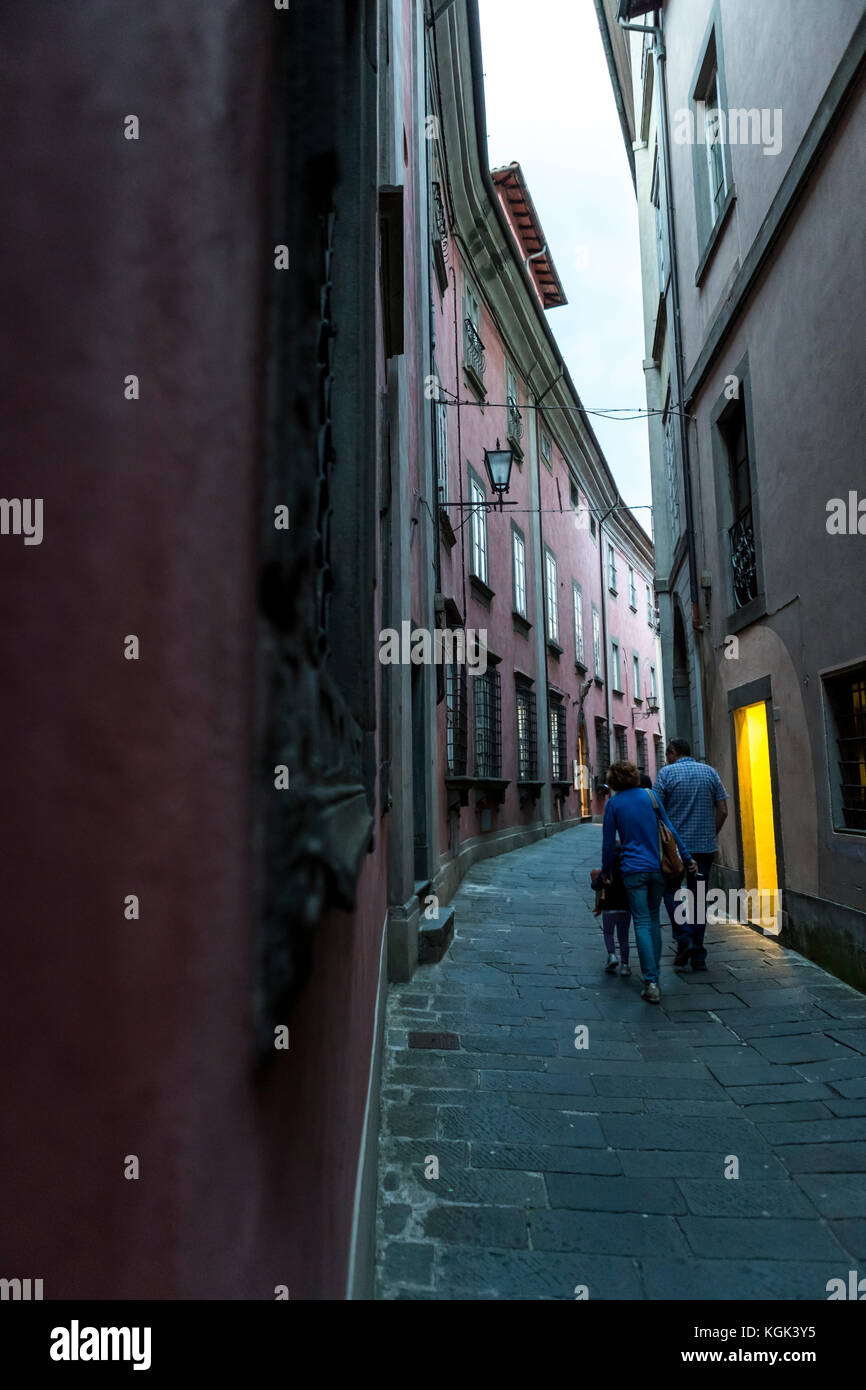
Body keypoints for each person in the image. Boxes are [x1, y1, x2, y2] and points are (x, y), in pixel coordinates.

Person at [601, 761, 696, 1003]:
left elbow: (609, 844)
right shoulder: (650, 796)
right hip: (657, 869)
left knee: (642, 921)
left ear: (614, 781)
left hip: (633, 871)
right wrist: (686, 857)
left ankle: (651, 982)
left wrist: (606, 872)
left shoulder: (613, 804)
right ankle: (654, 976)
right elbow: (670, 831)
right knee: (654, 919)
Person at [652, 738, 729, 972]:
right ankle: (698, 955)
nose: (668, 759)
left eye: (668, 754)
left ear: (673, 752)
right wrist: (710, 832)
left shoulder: (666, 774)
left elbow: (654, 808)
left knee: (670, 891)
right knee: (699, 899)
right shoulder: (710, 773)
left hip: (674, 849)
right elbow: (723, 810)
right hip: (704, 848)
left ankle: (683, 937)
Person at [590, 848, 632, 977]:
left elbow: (595, 886)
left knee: (608, 932)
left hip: (609, 908)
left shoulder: (606, 871)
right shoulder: (628, 871)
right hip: (625, 908)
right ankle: (625, 965)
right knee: (624, 937)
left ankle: (612, 955)